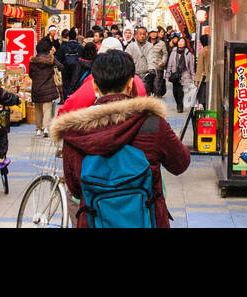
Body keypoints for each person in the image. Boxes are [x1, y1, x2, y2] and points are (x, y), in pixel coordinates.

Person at [51, 49, 191, 228]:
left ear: (94, 86)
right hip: (148, 219)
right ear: (131, 84)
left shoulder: (75, 130)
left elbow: (75, 187)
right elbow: (181, 163)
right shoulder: (152, 123)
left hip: (96, 220)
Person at [28, 38, 61, 135]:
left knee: (38, 108)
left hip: (36, 88)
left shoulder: (33, 61)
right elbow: (61, 67)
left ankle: (38, 129)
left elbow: (30, 74)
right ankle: (46, 128)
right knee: (47, 108)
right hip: (48, 87)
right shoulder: (51, 59)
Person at [165, 36, 195, 113]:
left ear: (185, 43)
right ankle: (178, 103)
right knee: (175, 91)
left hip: (185, 74)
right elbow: (170, 63)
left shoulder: (188, 53)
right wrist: (168, 73)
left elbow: (191, 66)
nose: (181, 43)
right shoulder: (173, 51)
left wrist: (193, 76)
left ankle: (180, 105)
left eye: (182, 42)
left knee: (181, 91)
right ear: (177, 42)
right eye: (179, 41)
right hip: (175, 74)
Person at [127, 25, 156, 95]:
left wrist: (151, 69)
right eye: (140, 34)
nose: (142, 36)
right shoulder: (131, 47)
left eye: (144, 34)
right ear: (135, 36)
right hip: (133, 75)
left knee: (145, 94)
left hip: (145, 75)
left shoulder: (150, 46)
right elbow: (127, 60)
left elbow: (151, 58)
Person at [56, 28, 82, 101]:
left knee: (66, 85)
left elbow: (59, 58)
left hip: (66, 69)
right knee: (75, 84)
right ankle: (74, 100)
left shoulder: (63, 47)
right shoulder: (80, 46)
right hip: (77, 69)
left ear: (68, 37)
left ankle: (66, 101)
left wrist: (61, 67)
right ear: (76, 36)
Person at [149, 29, 168, 98]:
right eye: (152, 33)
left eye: (155, 33)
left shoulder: (162, 43)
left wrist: (163, 61)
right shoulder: (146, 43)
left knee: (157, 85)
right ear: (149, 34)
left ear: (157, 34)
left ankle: (157, 99)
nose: (153, 34)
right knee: (148, 86)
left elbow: (165, 54)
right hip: (148, 67)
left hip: (158, 67)